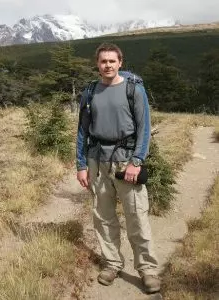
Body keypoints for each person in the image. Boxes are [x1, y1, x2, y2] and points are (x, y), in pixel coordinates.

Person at [76, 43, 161, 293]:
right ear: (97, 64)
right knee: (103, 217)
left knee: (137, 216)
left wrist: (137, 161)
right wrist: (81, 165)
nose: (108, 65)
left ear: (120, 62)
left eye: (112, 61)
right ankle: (112, 262)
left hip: (126, 161)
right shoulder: (90, 92)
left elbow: (144, 128)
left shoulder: (134, 89)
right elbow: (82, 130)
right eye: (103, 61)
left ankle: (147, 269)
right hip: (97, 161)